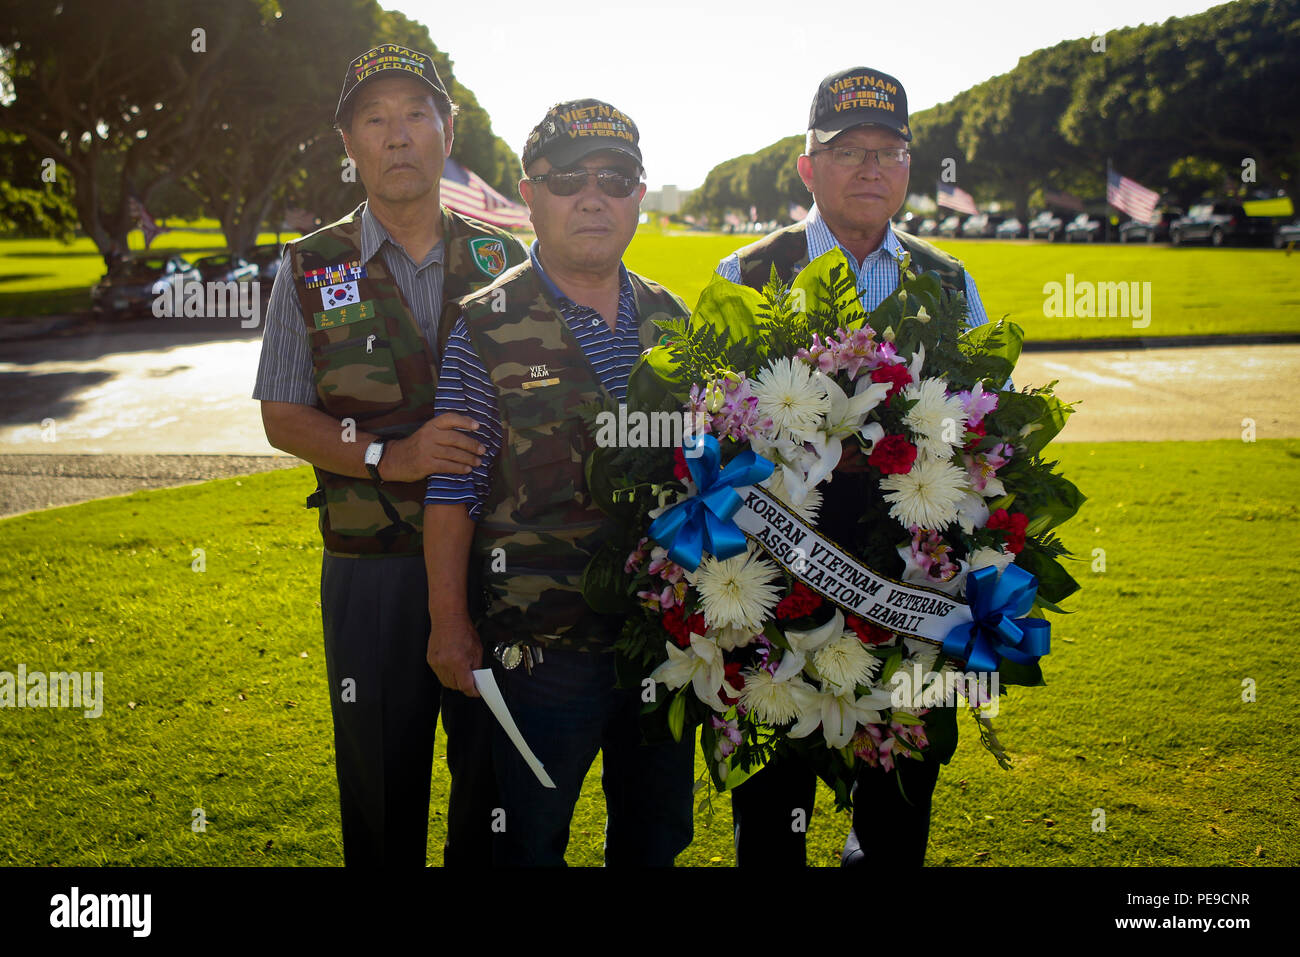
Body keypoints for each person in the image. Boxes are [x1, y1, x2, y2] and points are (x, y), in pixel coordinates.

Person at [253, 42, 527, 867]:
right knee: (378, 794)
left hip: (495, 567)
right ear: (349, 144)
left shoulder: (504, 261)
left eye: (415, 114)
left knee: (491, 796)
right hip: (368, 569)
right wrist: (387, 455)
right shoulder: (309, 265)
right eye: (374, 119)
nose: (396, 134)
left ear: (449, 130)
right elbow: (281, 416)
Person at [717, 66, 992, 868]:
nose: (872, 166)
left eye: (890, 149)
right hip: (778, 603)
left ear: (909, 165)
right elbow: (713, 441)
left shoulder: (948, 279)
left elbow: (982, 431)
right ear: (807, 165)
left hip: (911, 599)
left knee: (897, 826)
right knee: (770, 826)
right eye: (847, 150)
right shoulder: (748, 273)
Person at [424, 99, 695, 866]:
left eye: (616, 177)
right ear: (530, 193)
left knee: (655, 839)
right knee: (516, 846)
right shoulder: (485, 321)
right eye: (568, 178)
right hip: (537, 655)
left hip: (660, 646)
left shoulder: (673, 321)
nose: (593, 196)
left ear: (640, 194)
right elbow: (454, 490)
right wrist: (449, 623)